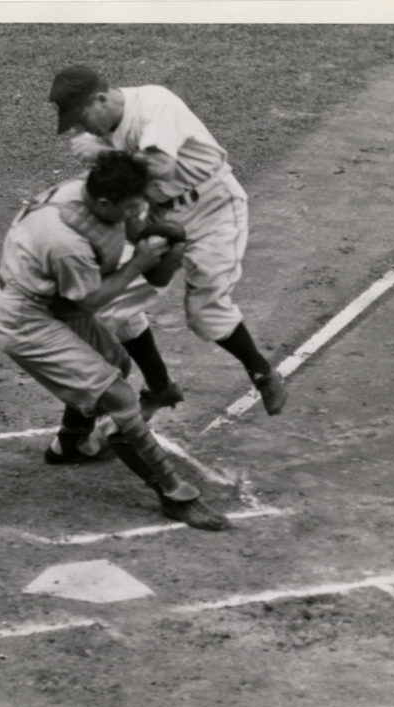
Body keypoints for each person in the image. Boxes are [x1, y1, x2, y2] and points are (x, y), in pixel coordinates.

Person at [0, 151, 229, 531]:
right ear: (103, 202)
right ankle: (174, 494)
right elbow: (90, 301)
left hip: (55, 304)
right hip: (26, 320)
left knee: (118, 364)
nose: (139, 210)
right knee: (119, 397)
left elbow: (126, 232)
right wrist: (140, 264)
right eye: (132, 205)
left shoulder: (91, 198)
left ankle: (70, 443)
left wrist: (162, 236)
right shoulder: (63, 240)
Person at [48, 65, 288, 441]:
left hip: (213, 208)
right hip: (160, 216)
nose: (83, 129)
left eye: (82, 119)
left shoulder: (153, 105)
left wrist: (106, 153)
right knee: (109, 309)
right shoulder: (111, 127)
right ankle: (160, 388)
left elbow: (161, 165)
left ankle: (261, 372)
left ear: (101, 98)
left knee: (205, 313)